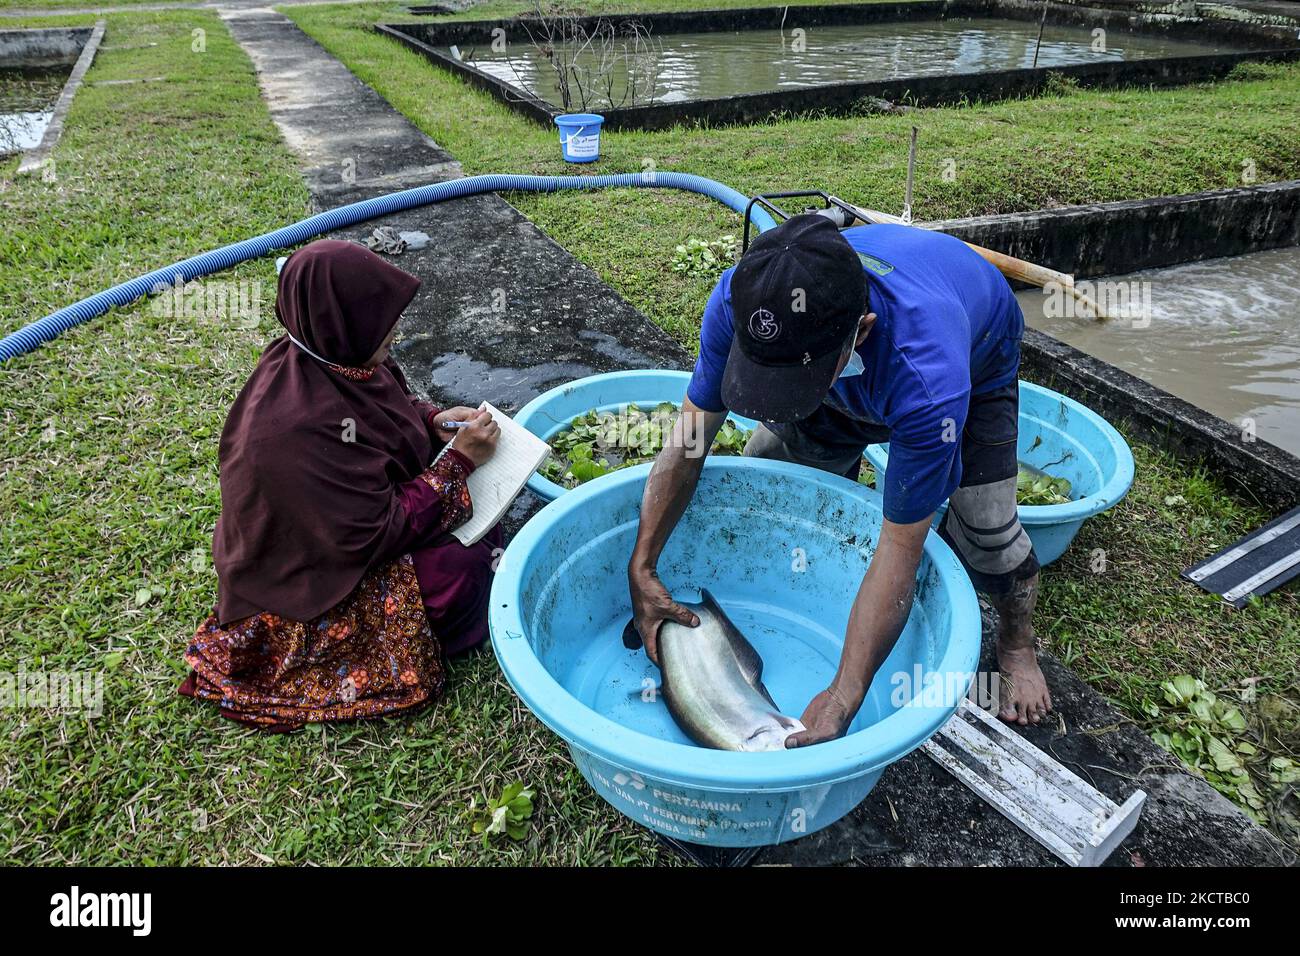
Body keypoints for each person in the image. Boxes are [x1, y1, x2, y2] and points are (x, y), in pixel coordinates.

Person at [627, 214, 1050, 743]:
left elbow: (902, 545)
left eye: (792, 382)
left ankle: (1016, 643)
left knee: (987, 532)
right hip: (850, 362)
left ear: (862, 330)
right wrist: (641, 564)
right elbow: (688, 442)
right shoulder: (743, 298)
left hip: (976, 346)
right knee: (771, 476)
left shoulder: (928, 376)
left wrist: (846, 693)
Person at [179, 240, 501, 731]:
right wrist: (456, 464)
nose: (394, 328)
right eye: (380, 318)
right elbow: (374, 534)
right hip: (308, 581)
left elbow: (384, 408)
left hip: (345, 531)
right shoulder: (293, 430)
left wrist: (432, 420)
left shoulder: (335, 356)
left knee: (481, 528)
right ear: (342, 323)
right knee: (461, 571)